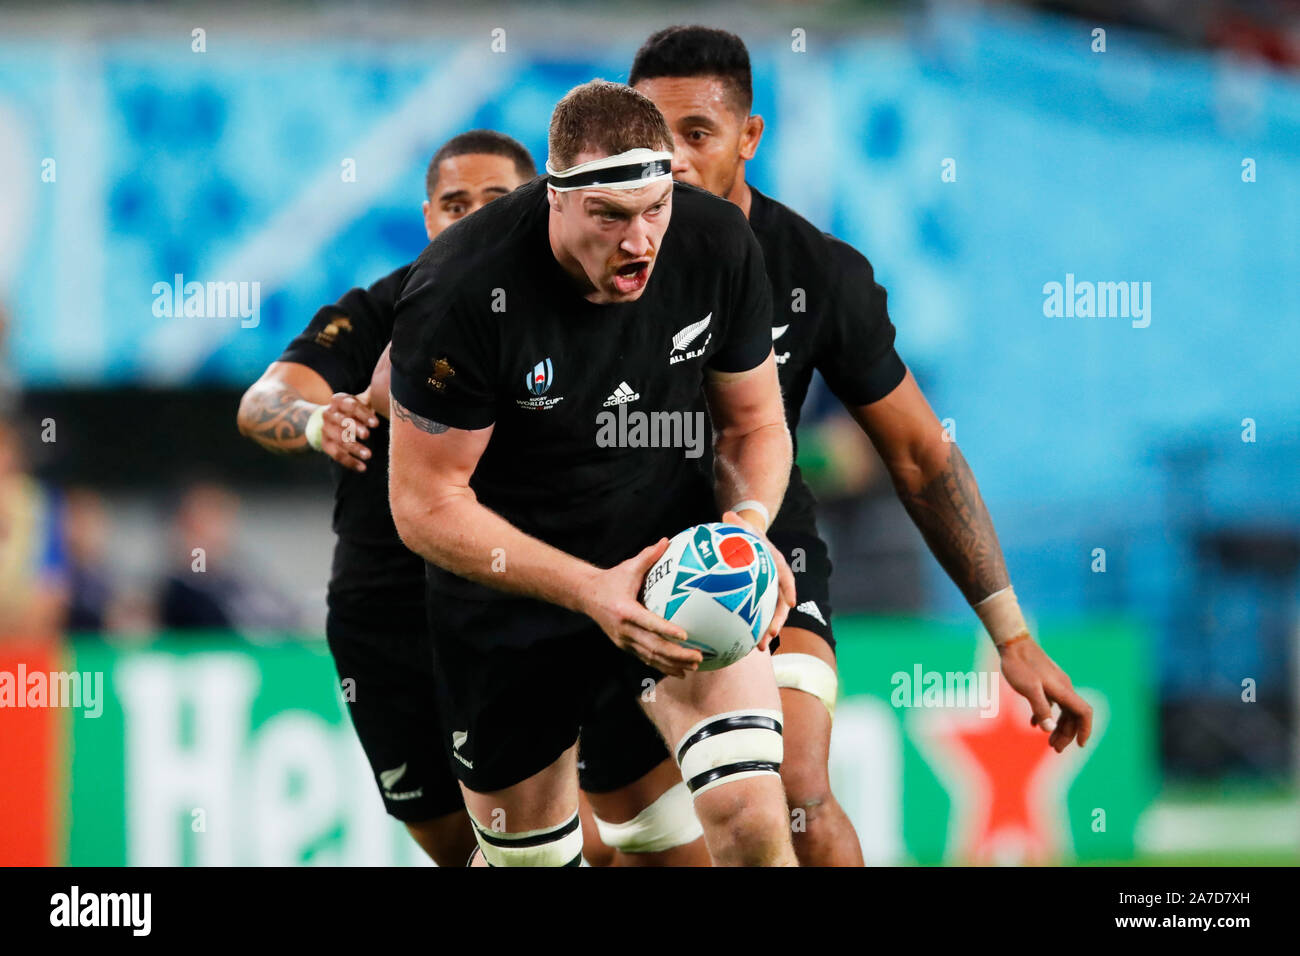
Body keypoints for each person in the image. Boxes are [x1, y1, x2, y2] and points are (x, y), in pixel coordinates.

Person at [630, 25, 1094, 865]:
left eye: (698, 134)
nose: (677, 162)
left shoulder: (818, 272)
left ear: (749, 136)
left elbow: (919, 454)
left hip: (762, 551)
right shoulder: (591, 253)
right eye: (656, 139)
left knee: (797, 795)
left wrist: (1013, 637)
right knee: (633, 839)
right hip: (611, 547)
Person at [388, 80, 801, 867]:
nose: (640, 240)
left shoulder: (715, 243)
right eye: (610, 216)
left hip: (671, 578)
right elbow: (423, 504)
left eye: (655, 208)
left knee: (749, 821)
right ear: (556, 196)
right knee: (533, 862)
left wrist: (746, 530)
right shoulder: (460, 291)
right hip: (509, 607)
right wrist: (588, 590)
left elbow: (754, 423)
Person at [237, 130, 536, 866]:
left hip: (516, 608)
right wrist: (318, 422)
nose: (472, 217)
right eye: (454, 203)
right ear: (429, 218)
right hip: (385, 621)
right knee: (456, 847)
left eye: (495, 200)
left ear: (533, 206)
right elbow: (261, 402)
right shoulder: (377, 312)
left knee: (547, 841)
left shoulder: (567, 312)